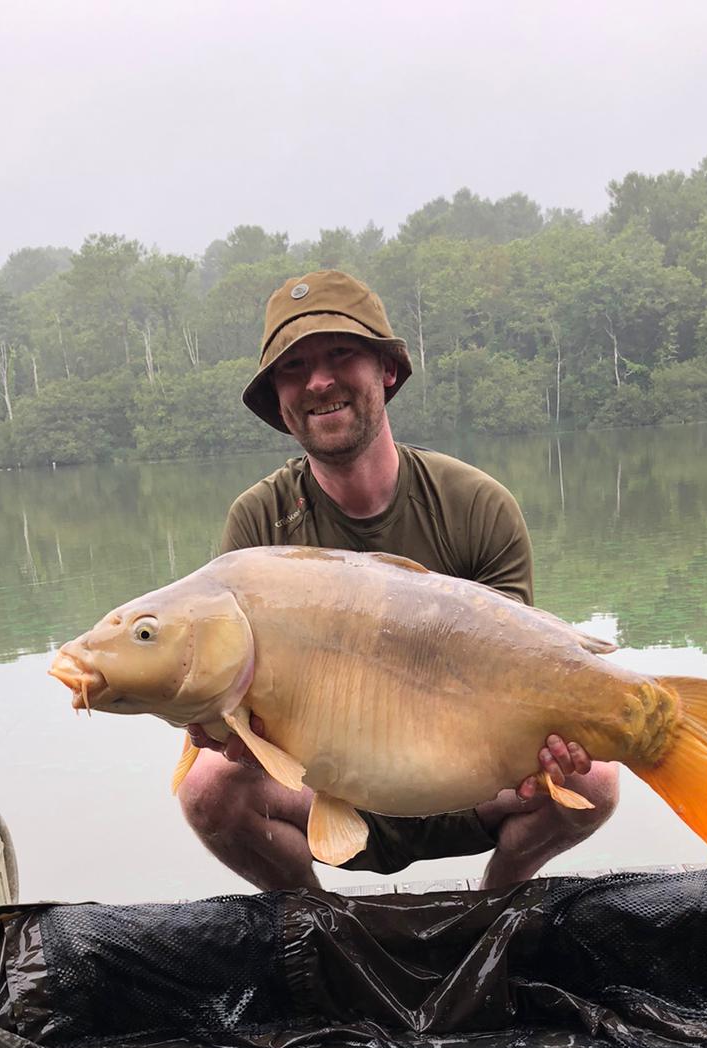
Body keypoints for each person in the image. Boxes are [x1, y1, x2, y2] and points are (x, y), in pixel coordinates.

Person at [178, 269, 618, 891]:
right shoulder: (258, 525)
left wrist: (552, 740)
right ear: (278, 399)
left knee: (594, 778)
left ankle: (502, 898)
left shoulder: (476, 505)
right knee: (206, 787)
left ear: (386, 369)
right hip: (329, 798)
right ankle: (317, 929)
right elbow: (243, 709)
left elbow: (521, 673)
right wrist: (232, 731)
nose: (319, 381)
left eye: (341, 354)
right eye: (294, 368)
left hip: (474, 789)